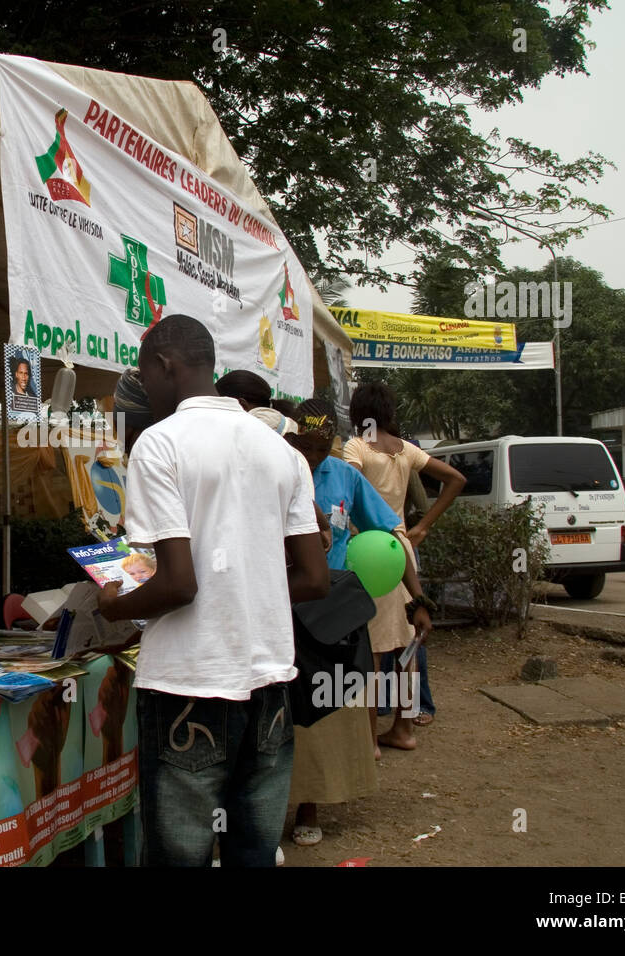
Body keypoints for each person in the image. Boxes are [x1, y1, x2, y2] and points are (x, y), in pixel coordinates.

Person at [97, 314, 329, 867]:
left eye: (144, 376)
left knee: (181, 854)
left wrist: (113, 606)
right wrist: (249, 590)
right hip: (269, 681)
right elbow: (315, 579)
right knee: (253, 849)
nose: (144, 389)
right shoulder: (284, 452)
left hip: (189, 684)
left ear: (166, 365)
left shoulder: (160, 444)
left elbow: (179, 584)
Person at [284, 398, 434, 846]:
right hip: (281, 602)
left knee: (322, 715)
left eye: (318, 448)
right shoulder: (274, 470)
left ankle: (310, 806)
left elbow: (391, 535)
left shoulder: (344, 475)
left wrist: (418, 599)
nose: (311, 458)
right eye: (304, 447)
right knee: (280, 711)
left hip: (330, 607)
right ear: (290, 439)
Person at [345, 383, 464, 750]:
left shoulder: (358, 447)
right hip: (402, 549)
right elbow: (456, 479)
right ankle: (404, 729)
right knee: (408, 645)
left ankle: (369, 743)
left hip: (370, 552)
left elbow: (348, 495)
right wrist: (423, 525)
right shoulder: (405, 448)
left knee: (374, 648)